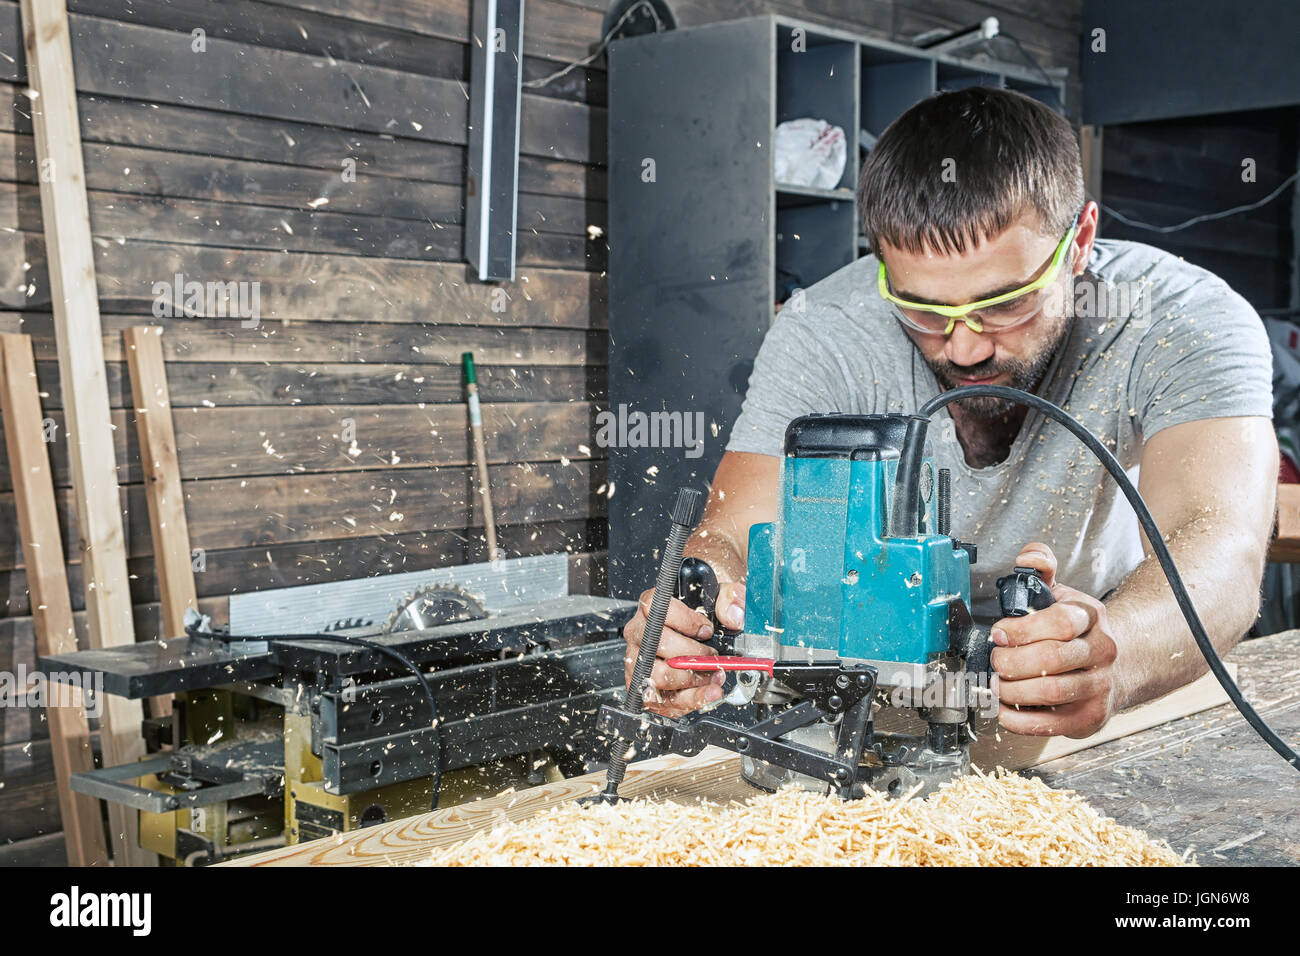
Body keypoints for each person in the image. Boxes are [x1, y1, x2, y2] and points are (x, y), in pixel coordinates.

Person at [622, 87, 1278, 740]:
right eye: (924, 311)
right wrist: (698, 606)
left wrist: (1116, 653)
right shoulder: (823, 328)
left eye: (1005, 303)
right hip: (868, 689)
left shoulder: (1178, 317)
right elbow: (733, 536)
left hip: (1079, 682)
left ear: (1078, 241)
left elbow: (1219, 542)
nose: (964, 347)